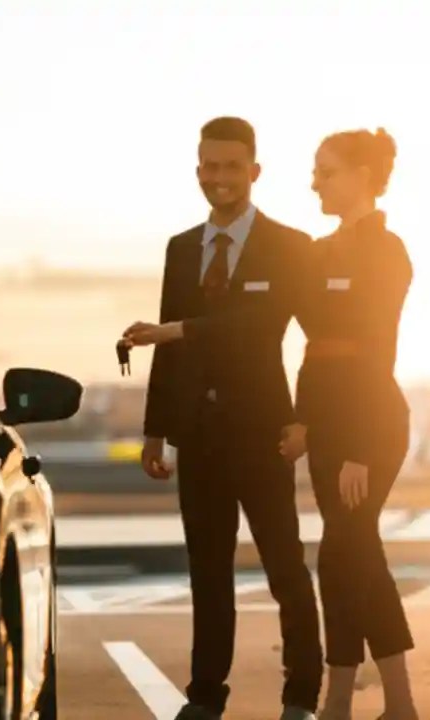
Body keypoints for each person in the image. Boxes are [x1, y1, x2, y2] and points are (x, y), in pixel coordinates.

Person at [125, 127, 419, 720]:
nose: (314, 181)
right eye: (208, 165)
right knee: (330, 559)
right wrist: (158, 426)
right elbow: (310, 348)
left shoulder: (336, 249)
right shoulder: (301, 249)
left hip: (329, 424)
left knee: (325, 559)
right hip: (291, 425)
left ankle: (330, 698)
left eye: (326, 171)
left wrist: (353, 441)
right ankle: (326, 700)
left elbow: (355, 344)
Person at [125, 116, 323, 720]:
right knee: (207, 574)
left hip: (262, 432)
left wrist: (305, 418)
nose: (220, 178)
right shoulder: (182, 249)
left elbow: (262, 327)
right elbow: (166, 347)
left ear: (254, 171)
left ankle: (300, 698)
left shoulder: (291, 247)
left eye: (232, 166)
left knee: (285, 568)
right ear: (198, 171)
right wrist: (155, 430)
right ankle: (206, 698)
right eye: (209, 167)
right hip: (199, 438)